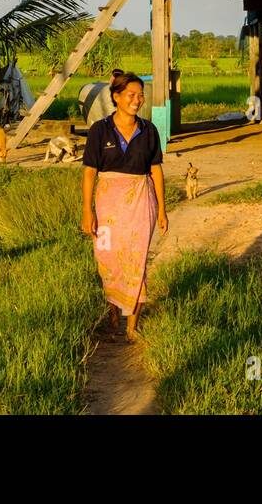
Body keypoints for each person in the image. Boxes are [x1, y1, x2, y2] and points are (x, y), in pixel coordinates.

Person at [81, 70, 168, 340]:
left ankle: (132, 324)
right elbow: (88, 172)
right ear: (116, 97)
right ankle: (113, 312)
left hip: (142, 203)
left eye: (140, 95)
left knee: (137, 259)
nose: (137, 100)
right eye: (131, 95)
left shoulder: (149, 130)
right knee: (107, 256)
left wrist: (163, 210)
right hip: (107, 205)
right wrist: (87, 212)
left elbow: (156, 171)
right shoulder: (100, 130)